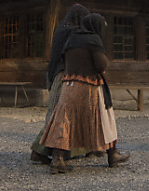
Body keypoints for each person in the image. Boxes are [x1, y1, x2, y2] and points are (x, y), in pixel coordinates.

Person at [39, 13, 129, 174]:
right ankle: (112, 154)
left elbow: (64, 61)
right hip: (89, 86)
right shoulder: (93, 40)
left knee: (64, 120)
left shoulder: (71, 39)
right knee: (103, 118)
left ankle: (58, 160)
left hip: (69, 85)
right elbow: (101, 65)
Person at [30, 4, 90, 164]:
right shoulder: (70, 32)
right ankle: (39, 150)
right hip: (63, 75)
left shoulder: (62, 29)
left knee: (62, 115)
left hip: (59, 73)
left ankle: (67, 150)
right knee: (58, 116)